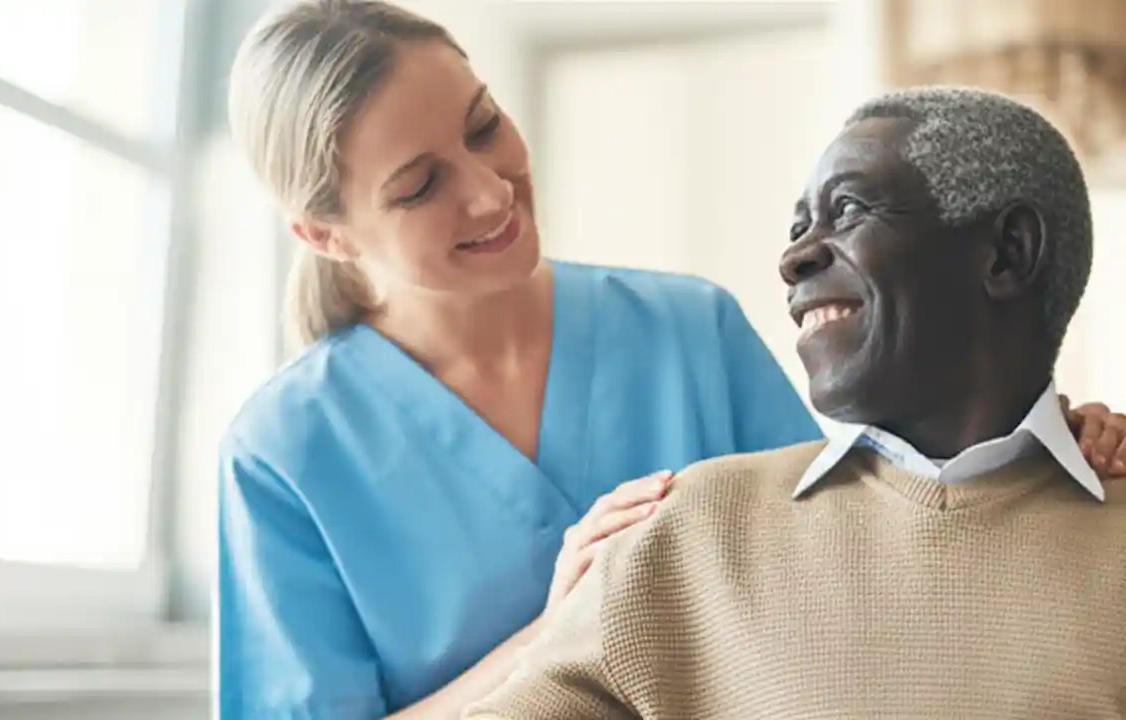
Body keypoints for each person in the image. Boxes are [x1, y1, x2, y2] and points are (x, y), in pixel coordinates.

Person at [218, 3, 1126, 717]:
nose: (492, 190)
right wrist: (565, 626)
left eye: (485, 124)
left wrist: (1041, 441)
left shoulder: (689, 327)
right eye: (420, 187)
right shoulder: (286, 449)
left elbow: (864, 546)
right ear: (323, 234)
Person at [467, 86, 1126, 719]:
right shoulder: (679, 535)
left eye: (850, 211)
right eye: (799, 226)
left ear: (1009, 252)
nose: (793, 257)